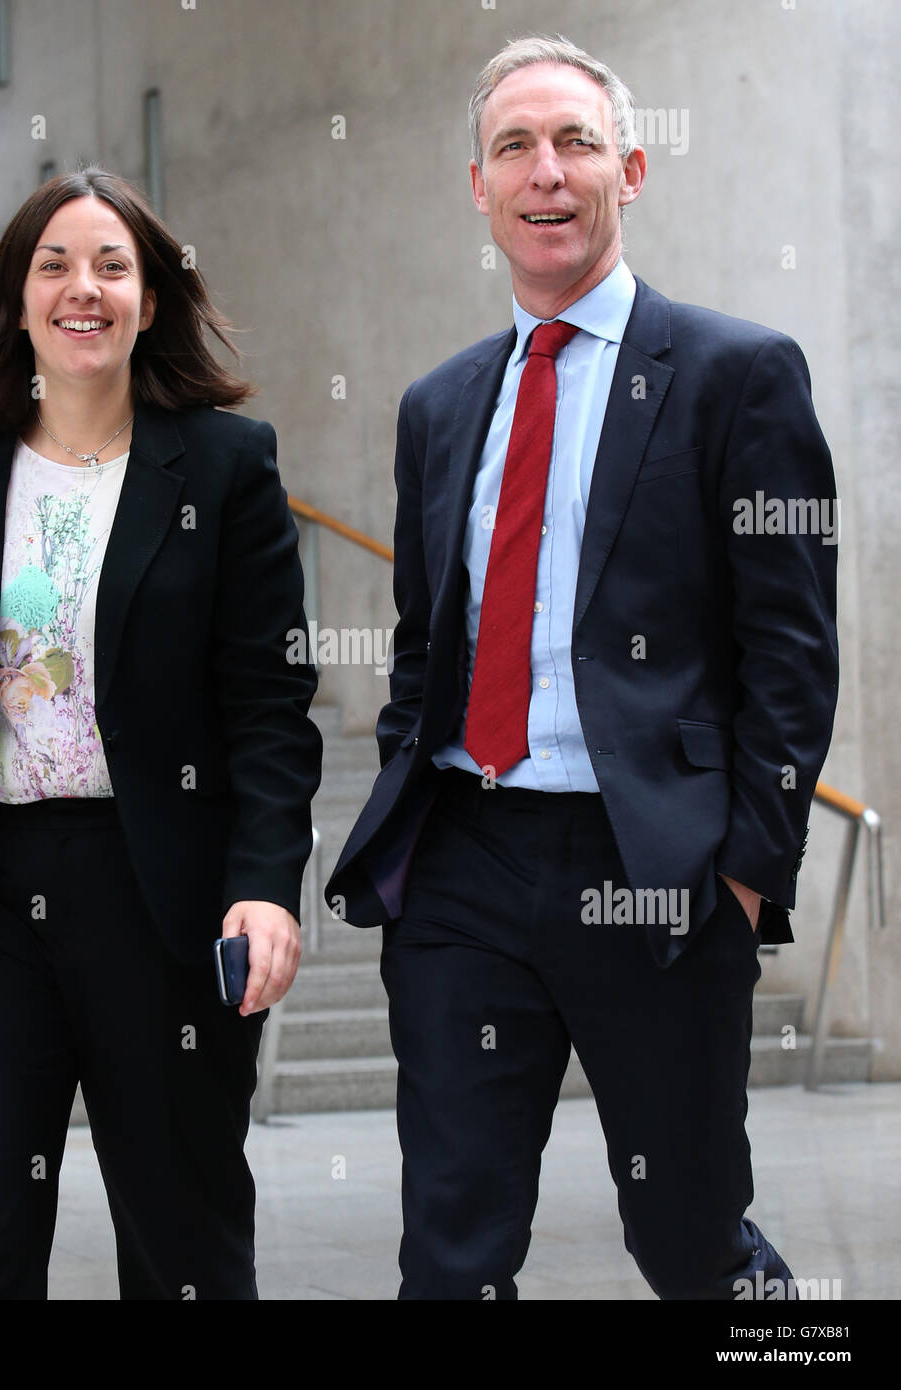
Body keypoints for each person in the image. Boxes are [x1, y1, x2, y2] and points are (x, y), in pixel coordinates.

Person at [325, 36, 838, 1299]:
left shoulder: (737, 376)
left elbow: (793, 647)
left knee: (688, 1245)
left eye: (574, 143)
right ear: (479, 186)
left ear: (632, 167)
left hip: (655, 868)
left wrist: (748, 875)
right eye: (515, 148)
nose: (545, 173)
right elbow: (418, 642)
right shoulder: (440, 405)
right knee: (450, 1254)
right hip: (463, 870)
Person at [0, 167, 322, 1299]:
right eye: (54, 264)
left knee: (184, 1246)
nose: (82, 288)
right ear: (17, 299)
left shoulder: (227, 467)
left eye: (111, 266)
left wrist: (267, 884)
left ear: (149, 298)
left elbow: (268, 706)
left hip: (164, 900)